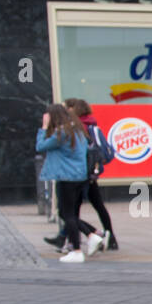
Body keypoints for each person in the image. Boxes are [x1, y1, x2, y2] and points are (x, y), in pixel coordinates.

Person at [36, 104, 103, 263]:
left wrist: (44, 127)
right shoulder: (77, 131)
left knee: (68, 214)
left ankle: (78, 250)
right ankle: (91, 235)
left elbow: (40, 146)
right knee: (68, 213)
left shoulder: (62, 133)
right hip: (79, 178)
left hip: (66, 178)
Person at [63, 98, 119, 250]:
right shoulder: (92, 125)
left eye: (67, 108)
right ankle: (110, 237)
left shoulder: (79, 127)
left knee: (72, 208)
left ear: (74, 109)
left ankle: (77, 239)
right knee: (97, 205)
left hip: (81, 174)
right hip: (91, 173)